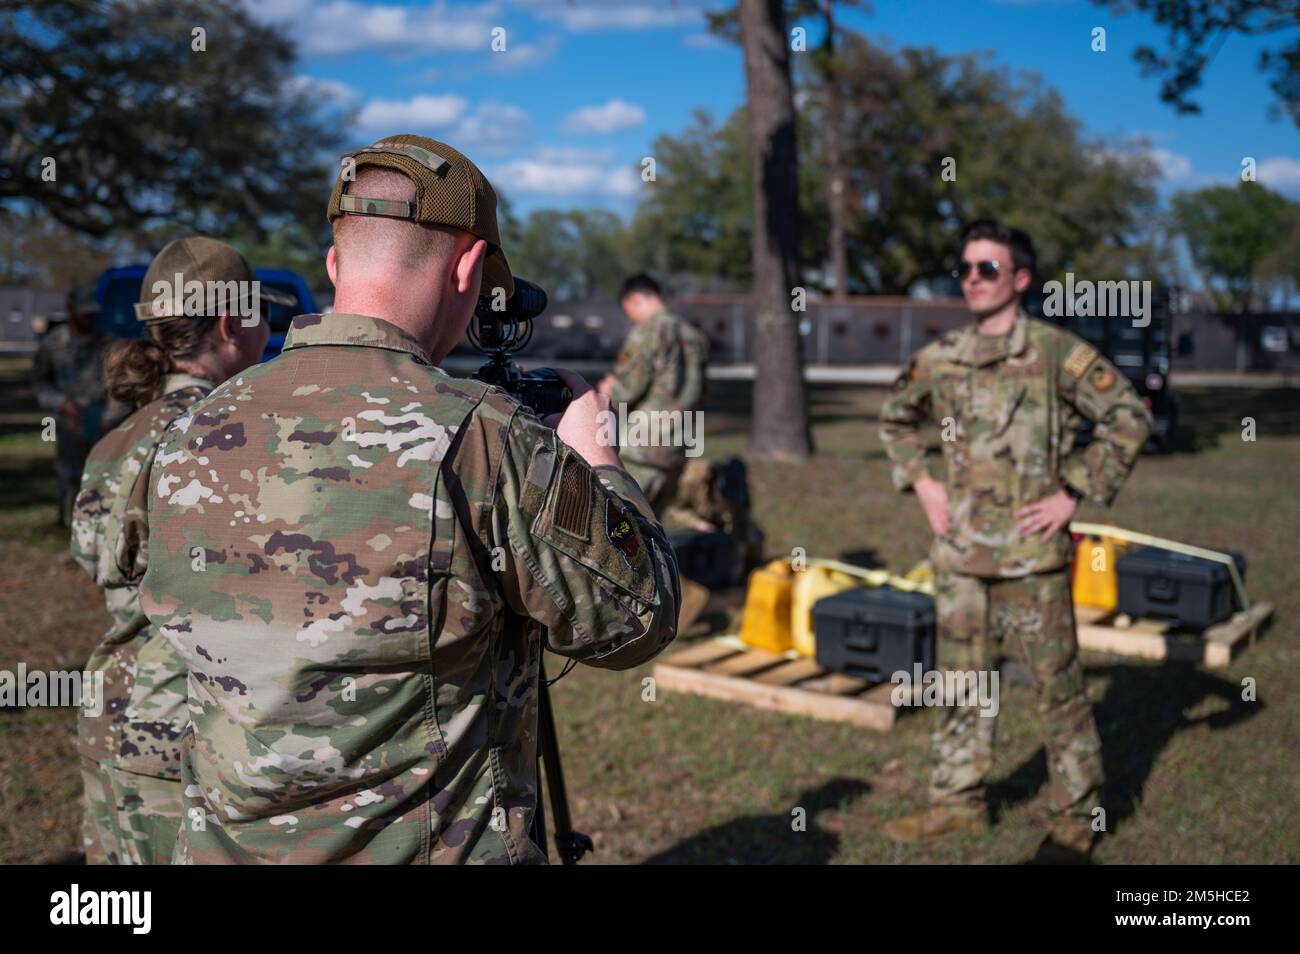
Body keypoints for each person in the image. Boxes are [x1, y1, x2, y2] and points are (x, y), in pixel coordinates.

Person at [140, 135, 681, 864]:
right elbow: (637, 621)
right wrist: (600, 465)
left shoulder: (188, 427)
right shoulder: (486, 438)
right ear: (467, 268)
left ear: (335, 265)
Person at [878, 219, 1151, 863]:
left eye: (988, 268)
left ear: (1020, 278)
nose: (973, 279)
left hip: (1032, 559)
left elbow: (1127, 415)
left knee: (1058, 688)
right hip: (961, 554)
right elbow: (894, 417)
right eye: (966, 268)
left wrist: (1075, 491)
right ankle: (957, 804)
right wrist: (924, 483)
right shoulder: (942, 357)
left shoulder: (1058, 353)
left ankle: (1076, 820)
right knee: (961, 683)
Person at [71, 236, 280, 863]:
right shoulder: (237, 436)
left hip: (109, 718)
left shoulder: (116, 437)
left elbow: (96, 562)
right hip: (187, 734)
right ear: (230, 323)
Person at [598, 273, 709, 513]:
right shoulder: (693, 335)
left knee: (625, 527)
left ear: (635, 299)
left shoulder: (647, 332)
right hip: (680, 443)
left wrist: (609, 389)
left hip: (643, 449)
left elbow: (628, 389)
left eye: (628, 309)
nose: (631, 317)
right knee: (656, 530)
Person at [33, 286, 116, 525]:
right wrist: (61, 402)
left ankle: (98, 526)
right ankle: (69, 524)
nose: (90, 317)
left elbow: (118, 386)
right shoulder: (52, 343)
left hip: (101, 419)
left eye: (93, 312)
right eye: (84, 312)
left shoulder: (107, 343)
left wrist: (110, 418)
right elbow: (40, 383)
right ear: (71, 312)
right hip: (68, 421)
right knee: (69, 476)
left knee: (101, 474)